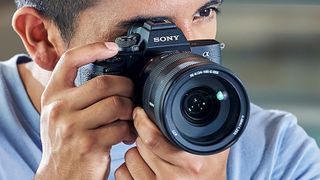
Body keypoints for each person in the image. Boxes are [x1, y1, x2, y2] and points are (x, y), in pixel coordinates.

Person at [0, 0, 319, 179]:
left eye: (204, 12)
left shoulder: (278, 152)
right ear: (40, 36)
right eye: (139, 31)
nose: (184, 51)